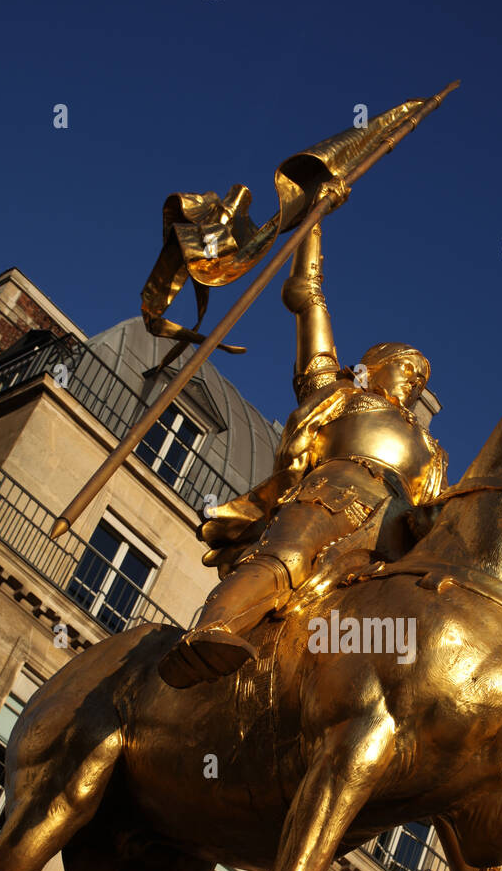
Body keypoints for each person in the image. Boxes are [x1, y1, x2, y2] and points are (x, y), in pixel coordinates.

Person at [159, 220, 447, 688]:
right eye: (406, 370)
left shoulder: (432, 450)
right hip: (334, 492)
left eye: (420, 382)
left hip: (395, 533)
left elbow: (437, 512)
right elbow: (305, 294)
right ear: (371, 368)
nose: (414, 385)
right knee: (289, 555)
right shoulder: (341, 393)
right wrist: (312, 224)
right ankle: (209, 632)